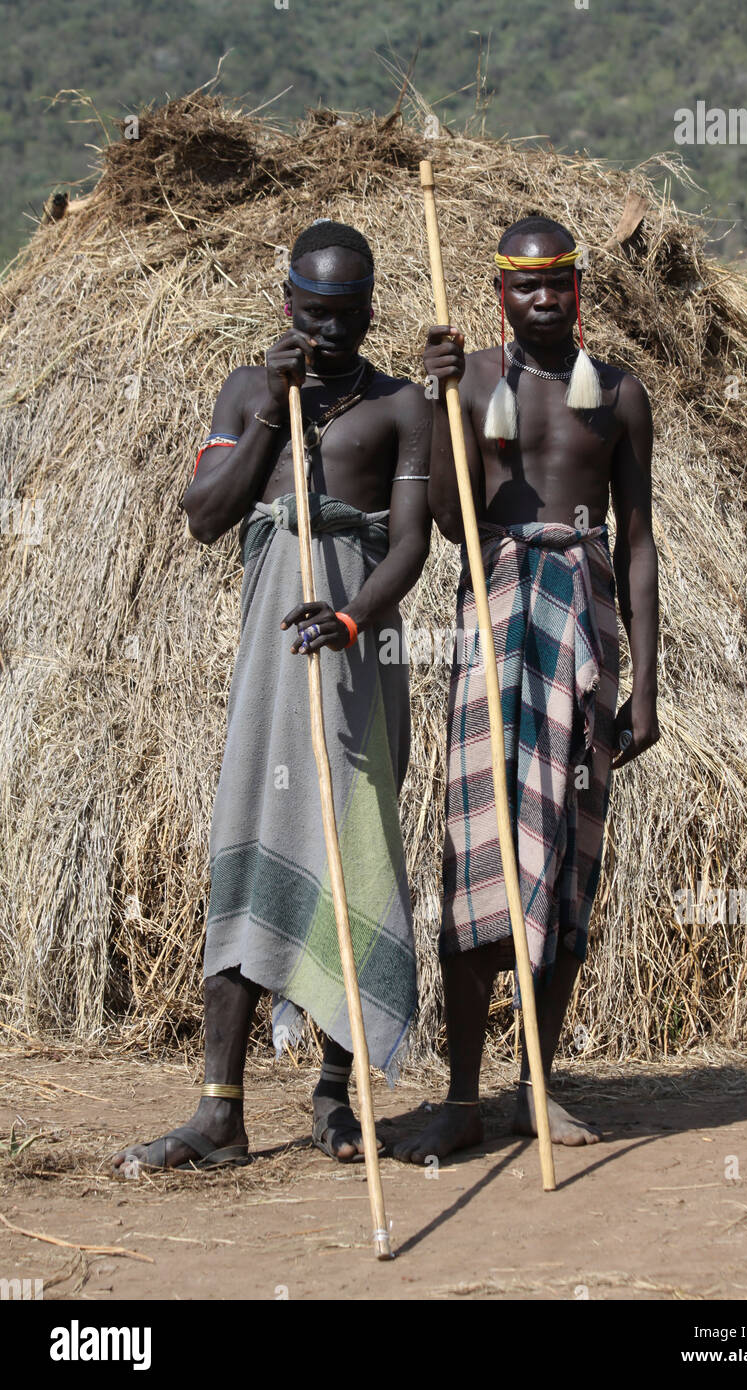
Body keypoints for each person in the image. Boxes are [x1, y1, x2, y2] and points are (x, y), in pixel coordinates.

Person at [112, 220, 431, 1171]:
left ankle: (337, 1097)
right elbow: (207, 516)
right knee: (249, 832)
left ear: (370, 311)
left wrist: (351, 617)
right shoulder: (251, 392)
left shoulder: (401, 405)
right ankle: (220, 1111)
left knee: (352, 839)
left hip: (355, 651)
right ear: (287, 305)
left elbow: (412, 542)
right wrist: (270, 409)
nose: (329, 332)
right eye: (313, 314)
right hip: (268, 656)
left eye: (346, 317)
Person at [394, 216, 659, 1164]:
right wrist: (436, 400)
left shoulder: (620, 396)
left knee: (567, 862)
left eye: (559, 282)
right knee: (477, 857)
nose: (543, 299)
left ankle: (538, 1091)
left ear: (578, 287)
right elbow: (444, 521)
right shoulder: (468, 385)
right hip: (493, 634)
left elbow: (635, 542)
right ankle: (464, 1098)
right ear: (498, 291)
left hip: (583, 643)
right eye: (524, 285)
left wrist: (647, 685)